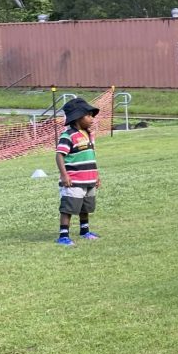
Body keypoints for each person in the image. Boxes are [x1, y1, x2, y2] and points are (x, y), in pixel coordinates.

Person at [54, 98, 102, 246]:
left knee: (85, 206)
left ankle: (85, 230)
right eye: (88, 115)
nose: (91, 118)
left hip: (88, 180)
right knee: (69, 208)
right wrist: (64, 175)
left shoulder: (89, 135)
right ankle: (63, 236)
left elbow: (92, 157)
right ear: (77, 117)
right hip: (74, 181)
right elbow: (59, 155)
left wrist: (96, 175)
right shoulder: (68, 136)